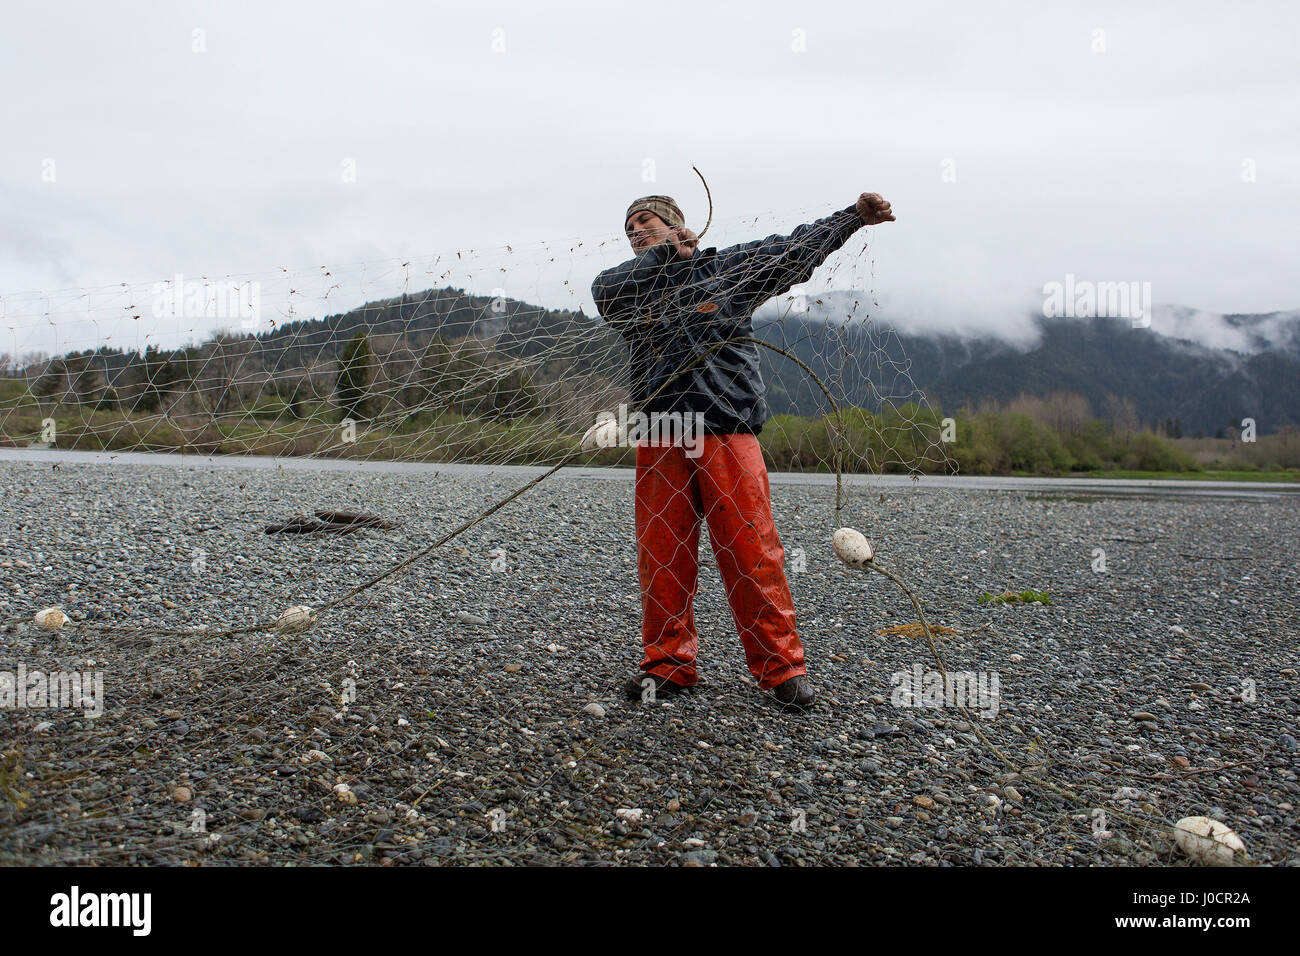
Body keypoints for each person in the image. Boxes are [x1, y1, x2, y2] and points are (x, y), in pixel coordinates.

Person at [591, 191, 895, 711]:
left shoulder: (729, 269)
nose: (637, 232)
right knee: (662, 556)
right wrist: (665, 256)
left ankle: (781, 670)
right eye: (630, 229)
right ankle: (668, 666)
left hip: (726, 429)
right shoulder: (628, 286)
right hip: (660, 435)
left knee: (752, 552)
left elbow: (793, 250)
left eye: (646, 222)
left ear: (677, 224)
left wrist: (853, 218)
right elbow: (606, 291)